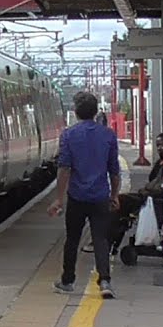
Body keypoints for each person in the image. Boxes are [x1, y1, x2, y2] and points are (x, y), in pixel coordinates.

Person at [49, 91, 120, 298]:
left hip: (77, 196)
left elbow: (64, 169)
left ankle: (67, 280)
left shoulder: (69, 135)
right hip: (100, 196)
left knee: (72, 238)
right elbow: (114, 170)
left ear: (76, 111)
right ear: (96, 111)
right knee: (101, 239)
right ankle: (105, 281)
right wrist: (114, 195)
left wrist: (59, 198)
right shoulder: (108, 135)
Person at [106, 132, 163, 251]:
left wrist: (146, 191)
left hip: (154, 197)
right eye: (157, 145)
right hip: (150, 195)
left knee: (119, 203)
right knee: (119, 204)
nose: (159, 148)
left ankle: (109, 241)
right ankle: (111, 240)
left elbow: (162, 186)